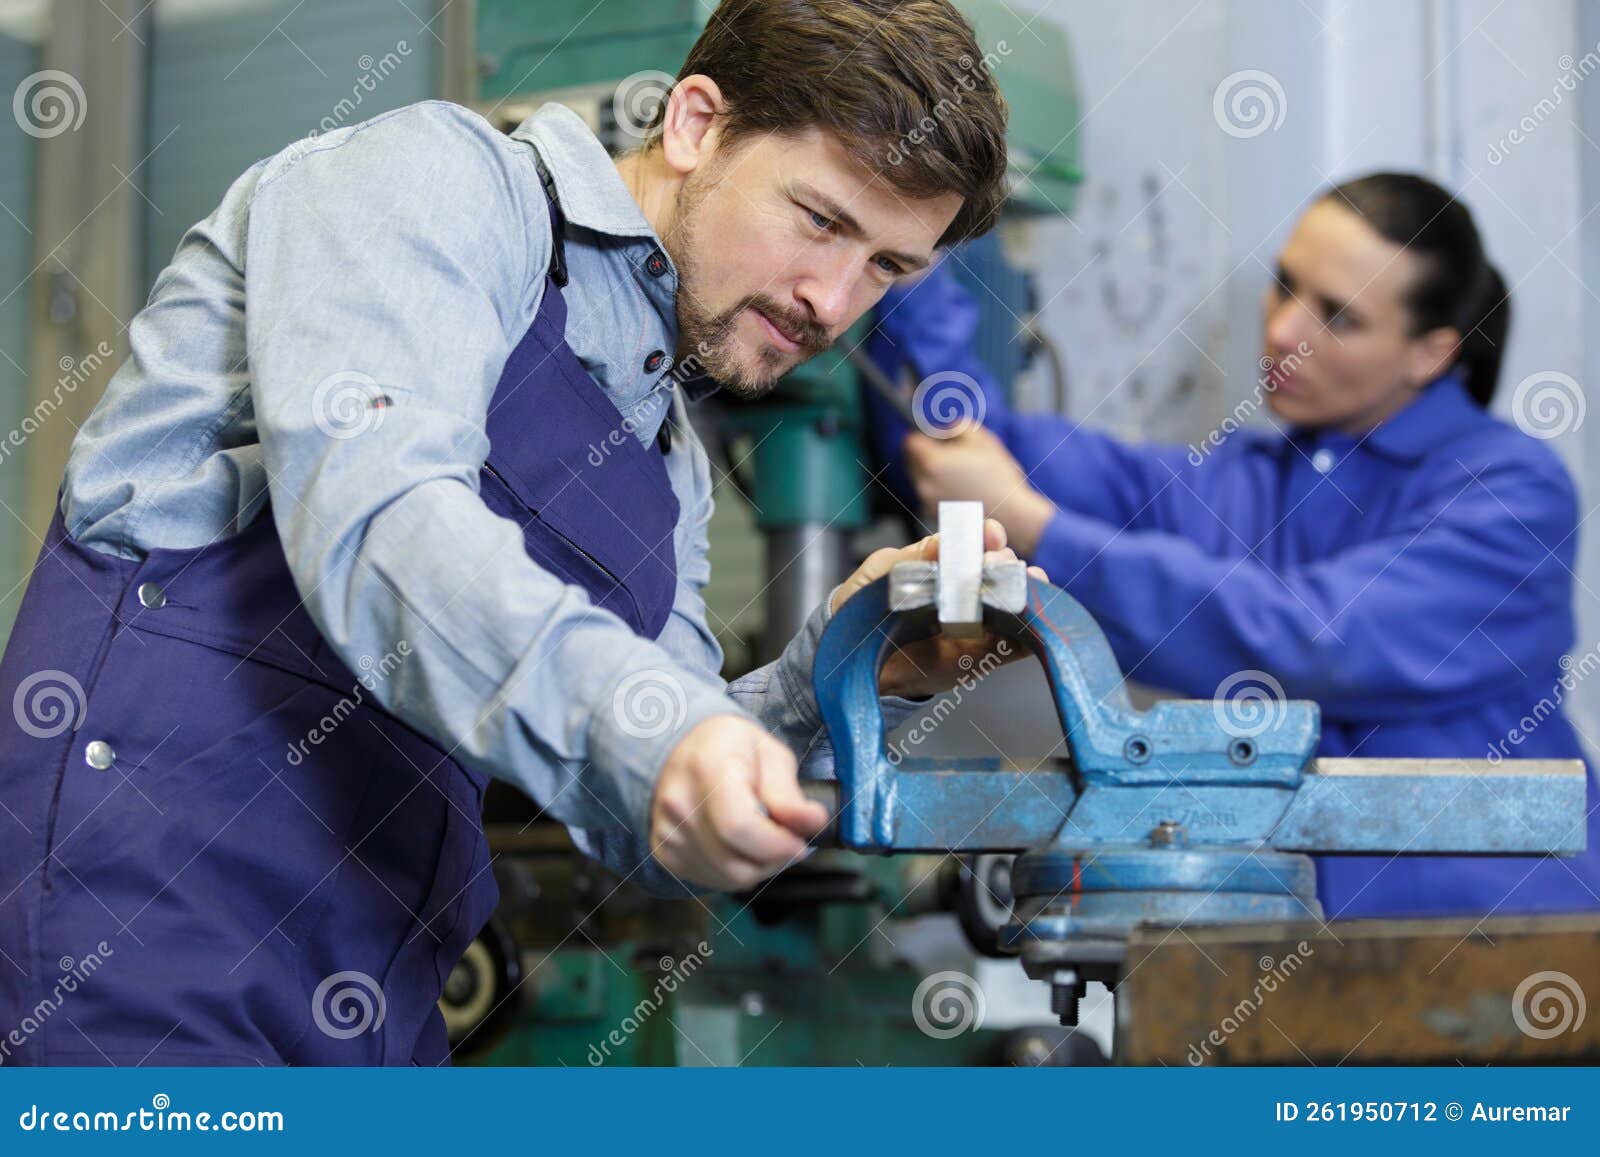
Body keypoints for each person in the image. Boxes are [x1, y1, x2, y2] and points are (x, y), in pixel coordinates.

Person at [0, 0, 1023, 1065]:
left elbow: (646, 810)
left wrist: (834, 670)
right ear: (694, 124)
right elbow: (379, 516)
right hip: (136, 924)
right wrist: (667, 737)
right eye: (820, 220)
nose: (831, 300)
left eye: (886, 270)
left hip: (374, 991)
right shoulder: (431, 184)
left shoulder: (665, 456)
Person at [868, 172, 1600, 920]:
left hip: (1510, 953)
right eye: (1285, 287)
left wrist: (1032, 523)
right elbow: (987, 447)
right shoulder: (1252, 482)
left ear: (1430, 354)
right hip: (1312, 966)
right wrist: (907, 245)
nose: (1283, 330)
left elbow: (1318, 637)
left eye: (1338, 317)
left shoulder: (1513, 493)